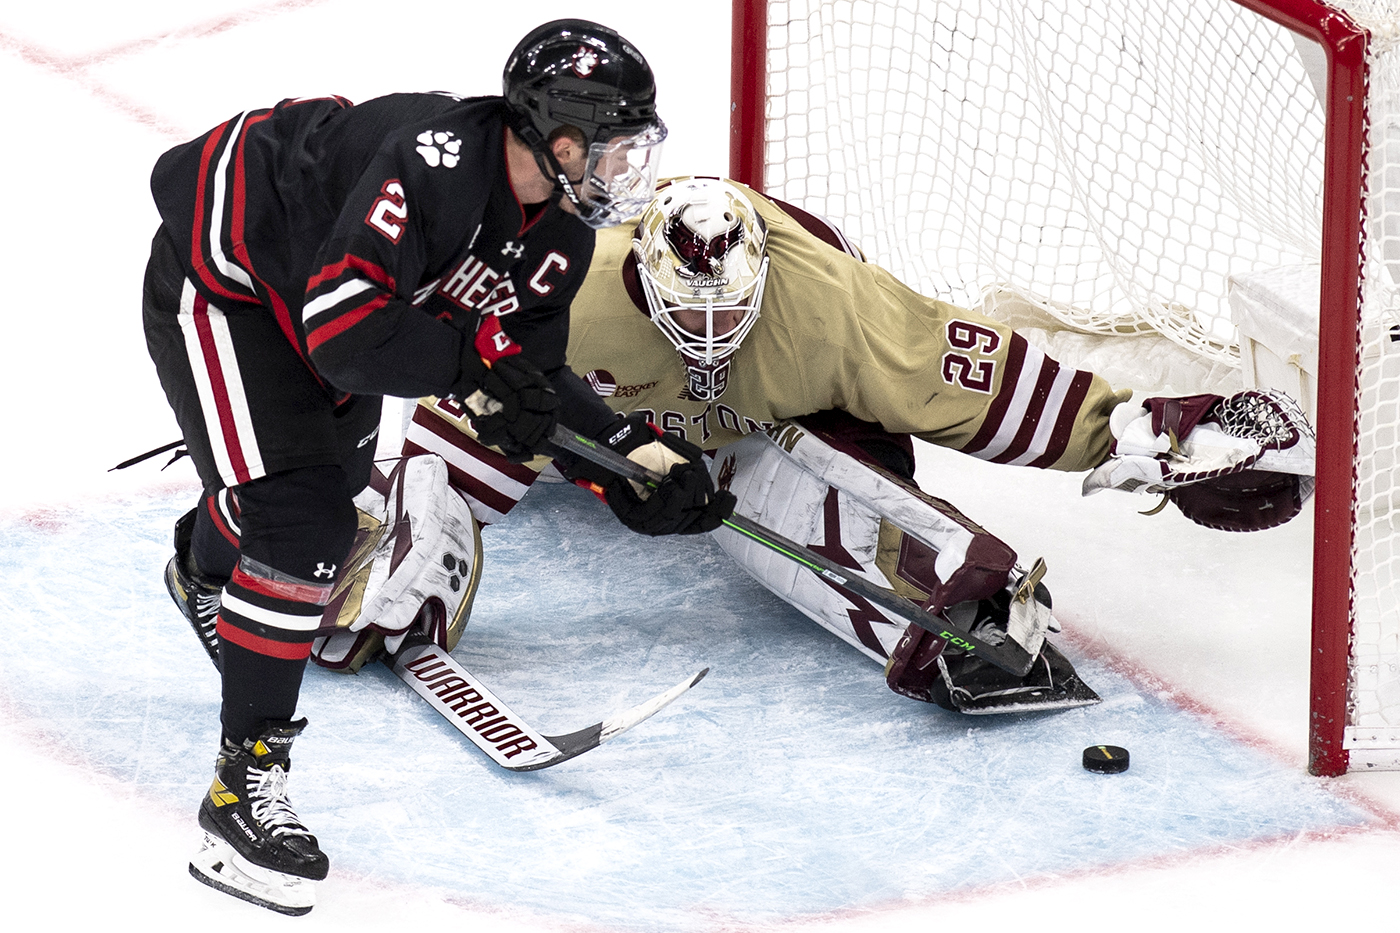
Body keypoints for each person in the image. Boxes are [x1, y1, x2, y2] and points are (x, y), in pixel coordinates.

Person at [144, 21, 731, 916]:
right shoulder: (434, 164)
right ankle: (238, 796)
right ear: (558, 137)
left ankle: (203, 567)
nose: (624, 168)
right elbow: (344, 335)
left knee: (324, 495)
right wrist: (475, 369)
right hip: (230, 283)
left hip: (325, 309)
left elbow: (528, 383)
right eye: (611, 146)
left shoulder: (560, 239)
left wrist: (627, 462)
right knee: (306, 526)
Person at [374, 177, 1314, 717]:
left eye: (731, 314)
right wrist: (421, 531)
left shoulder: (834, 312)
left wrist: (1134, 432)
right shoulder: (571, 292)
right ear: (644, 284)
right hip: (635, 406)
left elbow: (978, 382)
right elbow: (472, 394)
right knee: (517, 425)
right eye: (689, 315)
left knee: (822, 490)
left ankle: (966, 620)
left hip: (792, 403)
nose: (711, 334)